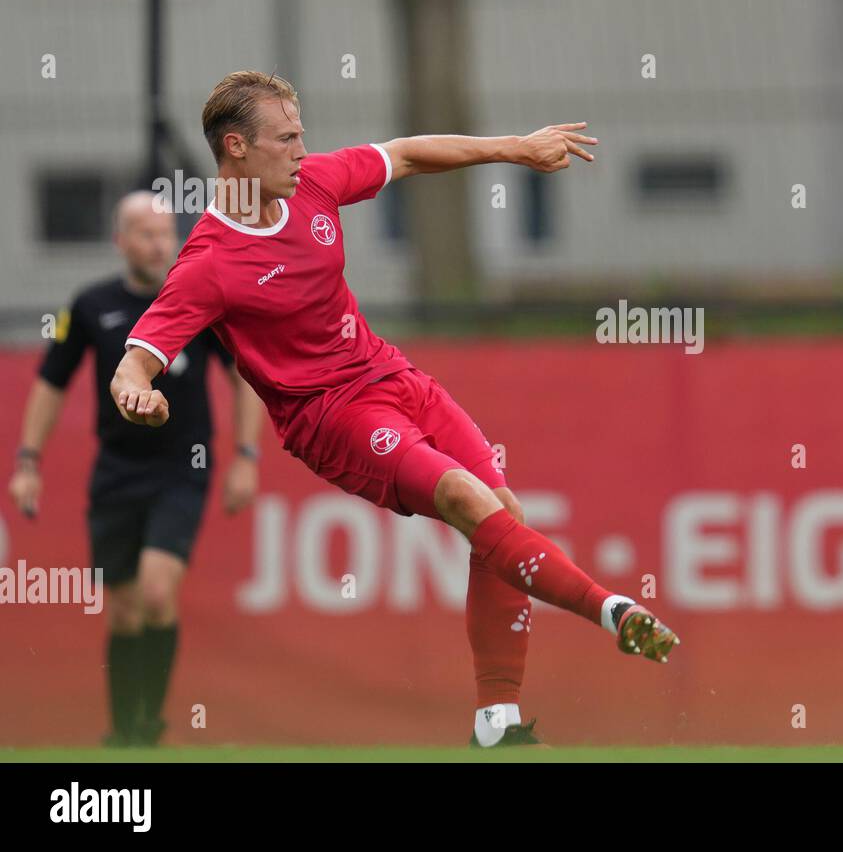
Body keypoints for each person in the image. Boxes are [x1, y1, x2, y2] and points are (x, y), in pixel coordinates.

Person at [109, 71, 679, 748]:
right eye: (286, 138)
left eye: (302, 136)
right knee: (470, 500)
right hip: (331, 418)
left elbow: (406, 153)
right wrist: (135, 393)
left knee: (504, 513)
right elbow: (136, 359)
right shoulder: (209, 262)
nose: (301, 150)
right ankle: (608, 609)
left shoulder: (314, 183)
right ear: (235, 147)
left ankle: (495, 721)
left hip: (391, 374)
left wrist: (518, 149)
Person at [9, 190, 264, 746]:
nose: (157, 244)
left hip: (182, 468)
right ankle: (124, 733)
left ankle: (150, 725)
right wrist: (28, 461)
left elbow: (245, 377)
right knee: (123, 612)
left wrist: (246, 456)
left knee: (155, 592)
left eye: (165, 233)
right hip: (117, 471)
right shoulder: (91, 305)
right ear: (120, 240)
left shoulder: (197, 300)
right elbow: (52, 384)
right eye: (145, 234)